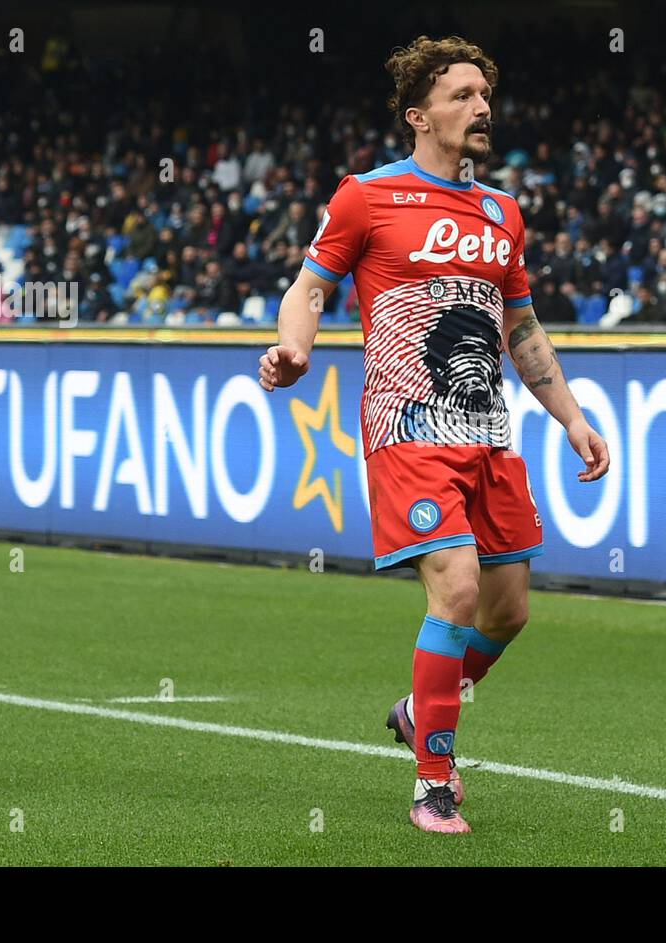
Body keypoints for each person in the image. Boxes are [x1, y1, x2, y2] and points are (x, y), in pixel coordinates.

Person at [257, 35, 609, 835]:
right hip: (408, 427)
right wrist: (293, 348)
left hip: (489, 433)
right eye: (462, 96)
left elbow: (521, 327)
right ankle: (434, 781)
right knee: (456, 588)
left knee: (507, 611)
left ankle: (422, 707)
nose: (481, 108)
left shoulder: (502, 213)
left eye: (485, 95)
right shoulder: (367, 196)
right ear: (419, 116)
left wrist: (572, 416)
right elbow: (309, 287)